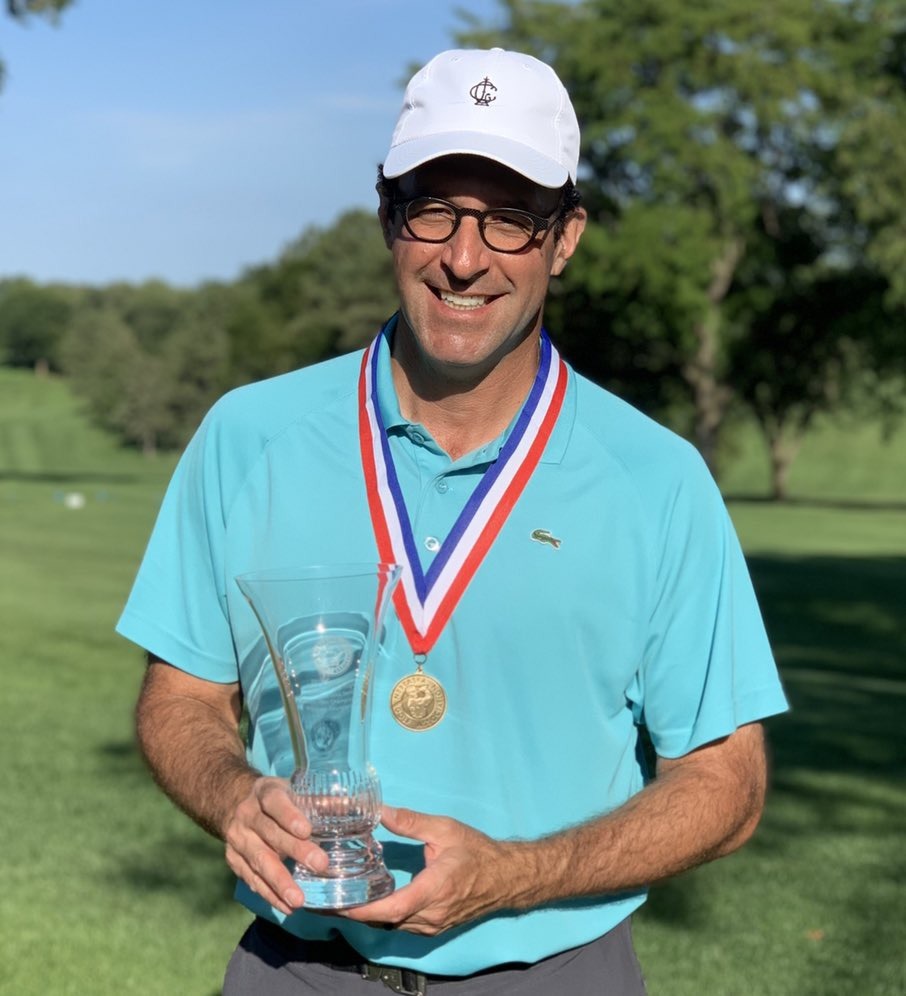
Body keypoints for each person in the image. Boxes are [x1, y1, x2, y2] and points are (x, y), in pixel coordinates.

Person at [118, 47, 788, 995]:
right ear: (389, 215)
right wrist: (233, 796)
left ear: (566, 239)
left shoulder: (658, 480)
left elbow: (729, 783)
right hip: (296, 968)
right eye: (435, 209)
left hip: (552, 968)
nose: (464, 258)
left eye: (511, 219)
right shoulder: (249, 436)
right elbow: (181, 698)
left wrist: (517, 875)